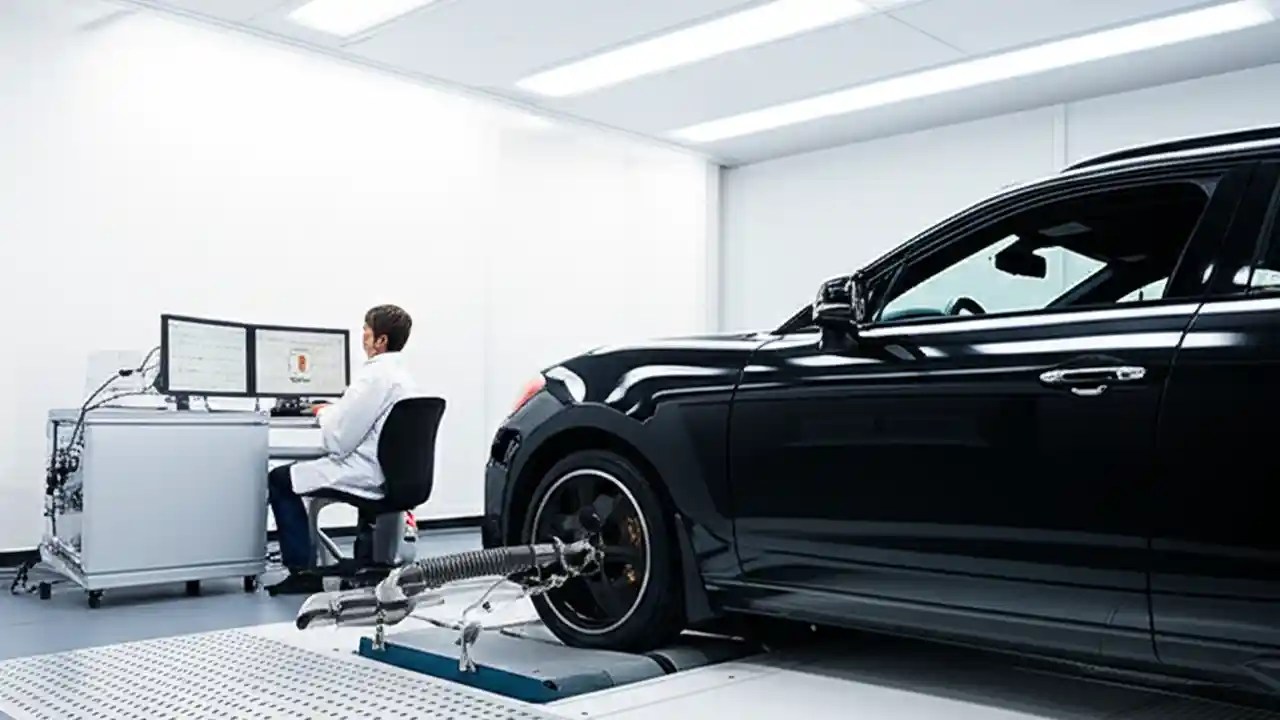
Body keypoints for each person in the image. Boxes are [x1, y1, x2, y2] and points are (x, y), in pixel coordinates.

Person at [265, 304, 419, 596]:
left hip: (368, 473)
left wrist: (323, 413)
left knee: (280, 479)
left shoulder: (374, 376)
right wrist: (335, 411)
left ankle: (302, 571)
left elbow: (338, 440)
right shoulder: (402, 376)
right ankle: (356, 561)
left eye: (366, 330)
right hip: (392, 473)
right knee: (302, 473)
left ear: (380, 341)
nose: (362, 336)